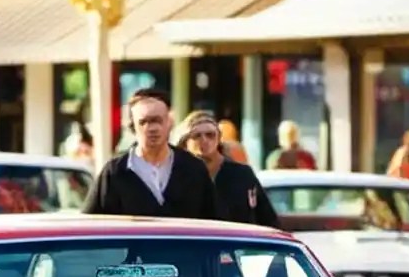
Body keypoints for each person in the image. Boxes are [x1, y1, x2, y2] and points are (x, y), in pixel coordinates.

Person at [82, 88, 219, 220]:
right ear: (132, 126)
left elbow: (216, 225)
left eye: (157, 120)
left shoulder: (194, 169)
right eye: (144, 122)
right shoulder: (114, 173)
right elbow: (90, 227)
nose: (152, 128)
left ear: (169, 123)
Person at [179, 110, 280, 228]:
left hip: (237, 241)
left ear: (218, 138)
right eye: (197, 136)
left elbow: (268, 220)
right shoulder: (179, 176)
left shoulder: (242, 174)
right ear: (185, 142)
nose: (204, 140)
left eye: (210, 135)